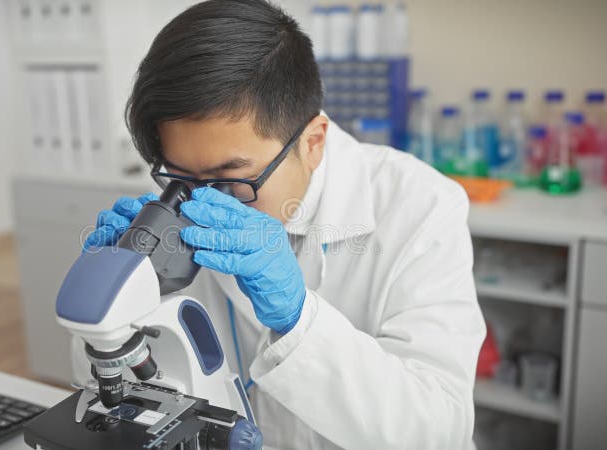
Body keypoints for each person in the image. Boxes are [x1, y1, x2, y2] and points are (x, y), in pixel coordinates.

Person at [77, 0, 485, 448]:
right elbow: (103, 394)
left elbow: (438, 432)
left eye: (232, 180)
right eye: (180, 179)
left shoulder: (421, 207)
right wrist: (113, 307)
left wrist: (297, 320)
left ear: (312, 142)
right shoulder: (169, 212)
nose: (204, 202)